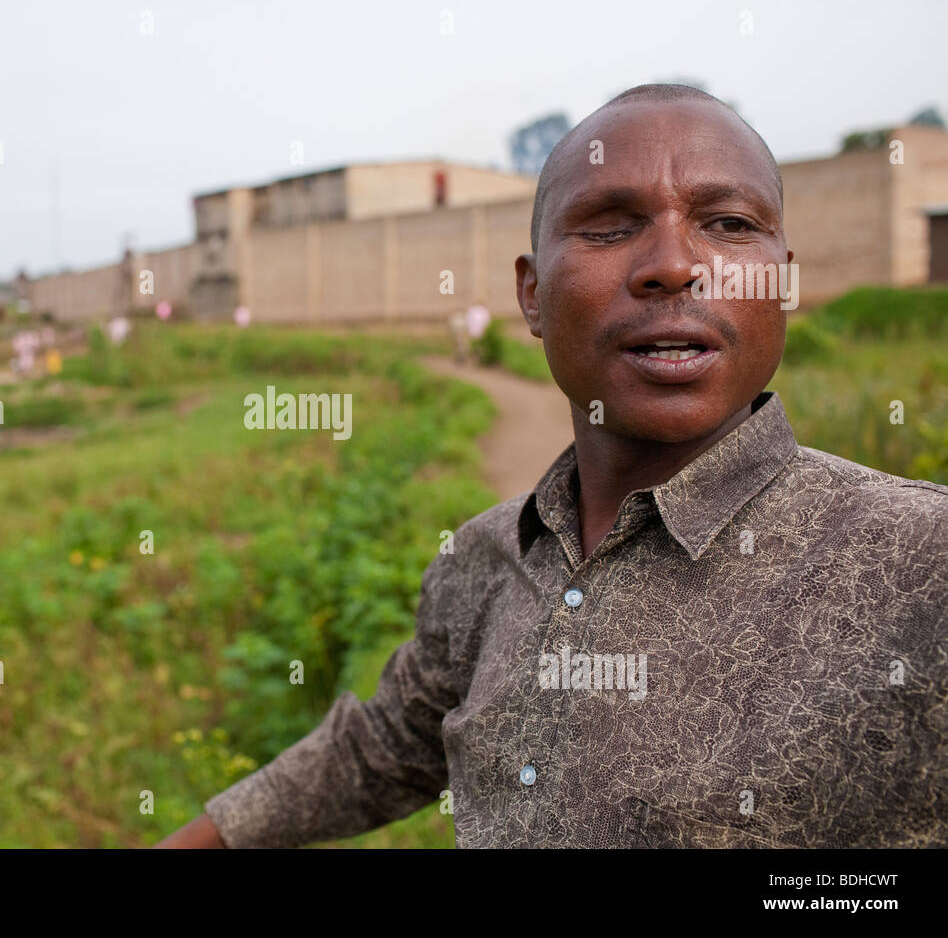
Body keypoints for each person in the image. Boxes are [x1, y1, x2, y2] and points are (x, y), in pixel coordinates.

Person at [157, 84, 948, 848]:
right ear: (531, 297)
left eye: (730, 223)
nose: (673, 265)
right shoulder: (482, 563)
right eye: (608, 228)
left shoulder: (920, 568)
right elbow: (389, 742)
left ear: (781, 280)